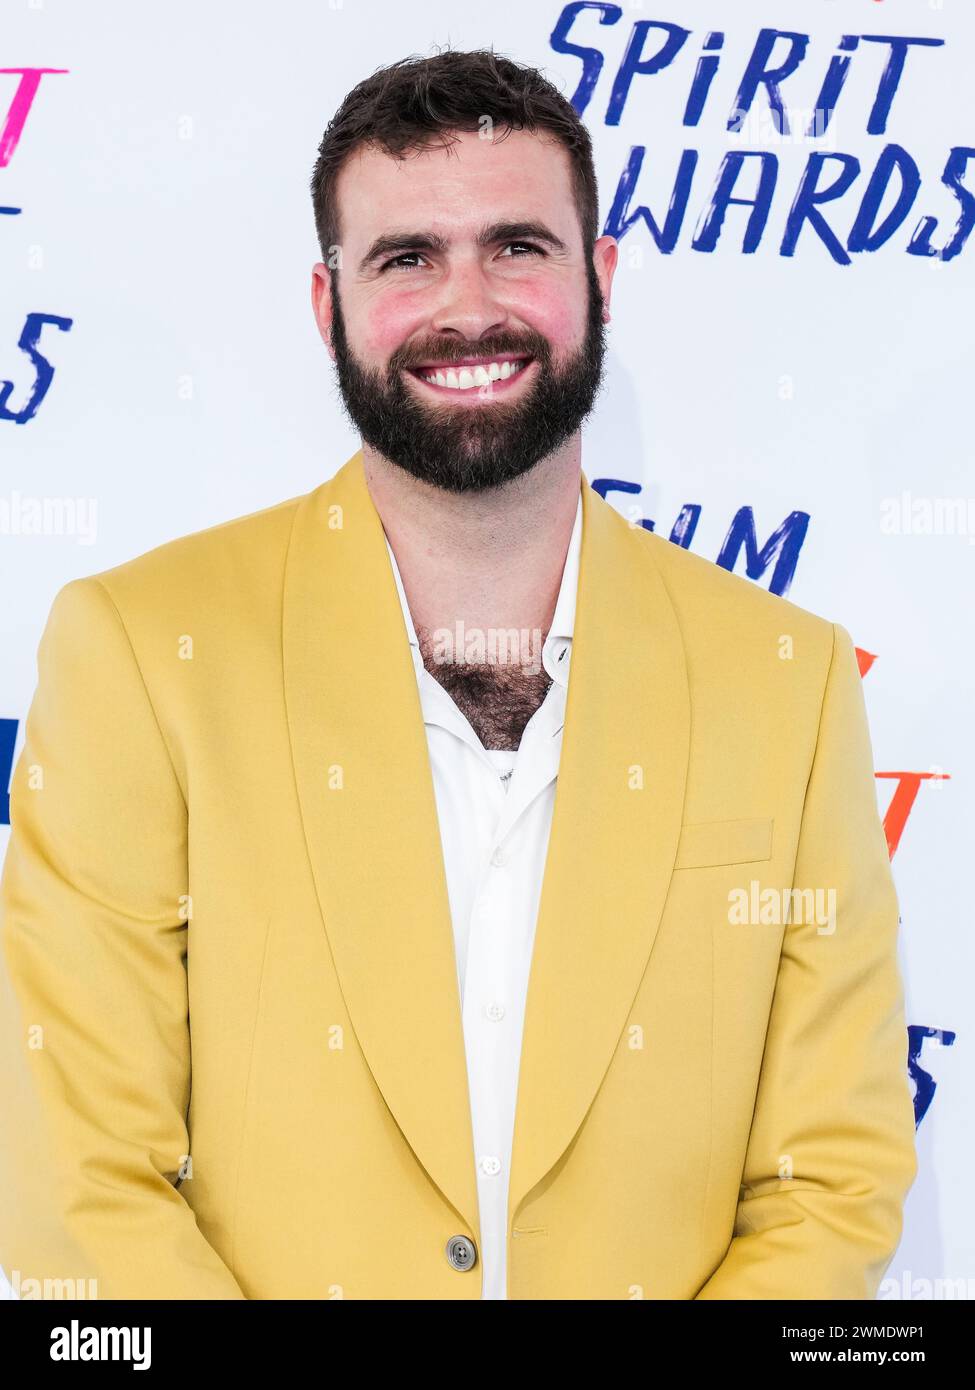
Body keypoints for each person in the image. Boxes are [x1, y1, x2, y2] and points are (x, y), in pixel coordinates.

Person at [0, 48, 916, 1301]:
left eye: (518, 247)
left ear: (599, 280)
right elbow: (74, 1170)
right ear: (328, 308)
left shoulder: (788, 681)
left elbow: (834, 1178)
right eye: (407, 257)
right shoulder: (143, 653)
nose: (468, 305)